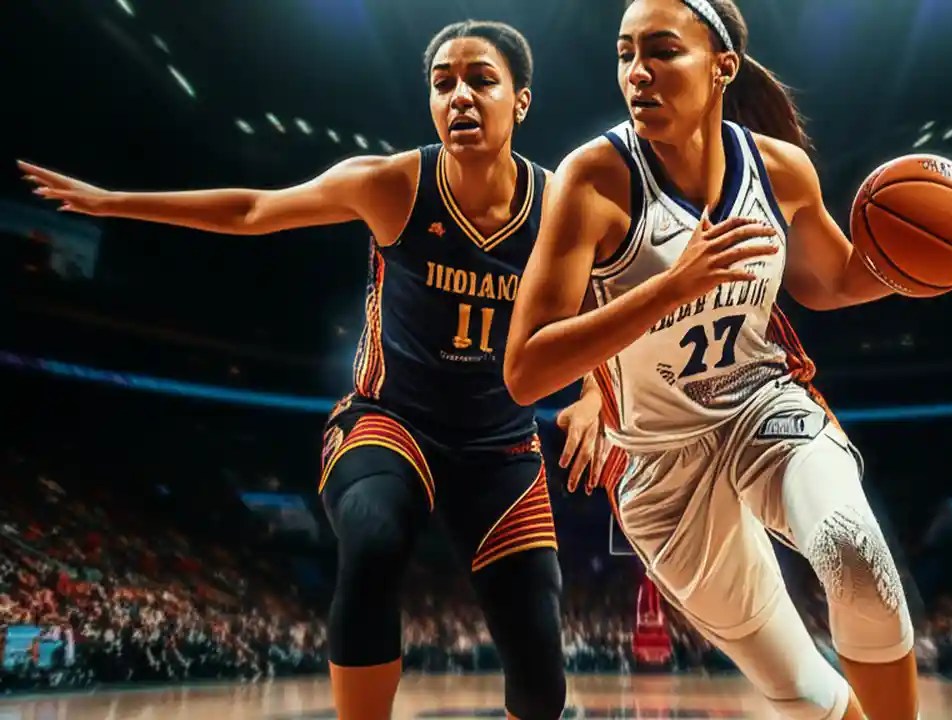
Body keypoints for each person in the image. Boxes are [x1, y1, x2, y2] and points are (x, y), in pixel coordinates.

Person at [21, 19, 603, 720]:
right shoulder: (392, 184)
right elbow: (253, 209)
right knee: (374, 540)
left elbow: (605, 305)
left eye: (481, 80)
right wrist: (114, 202)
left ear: (521, 101)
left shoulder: (557, 208)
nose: (459, 96)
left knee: (539, 654)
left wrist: (596, 393)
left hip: (500, 443)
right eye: (442, 82)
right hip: (392, 422)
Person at [504, 1, 952, 719]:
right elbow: (525, 370)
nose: (637, 72)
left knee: (854, 555)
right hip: (656, 458)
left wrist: (932, 265)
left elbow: (832, 281)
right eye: (625, 53)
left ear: (722, 67)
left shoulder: (780, 170)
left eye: (662, 51)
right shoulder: (592, 179)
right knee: (805, 695)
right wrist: (671, 287)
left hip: (762, 405)